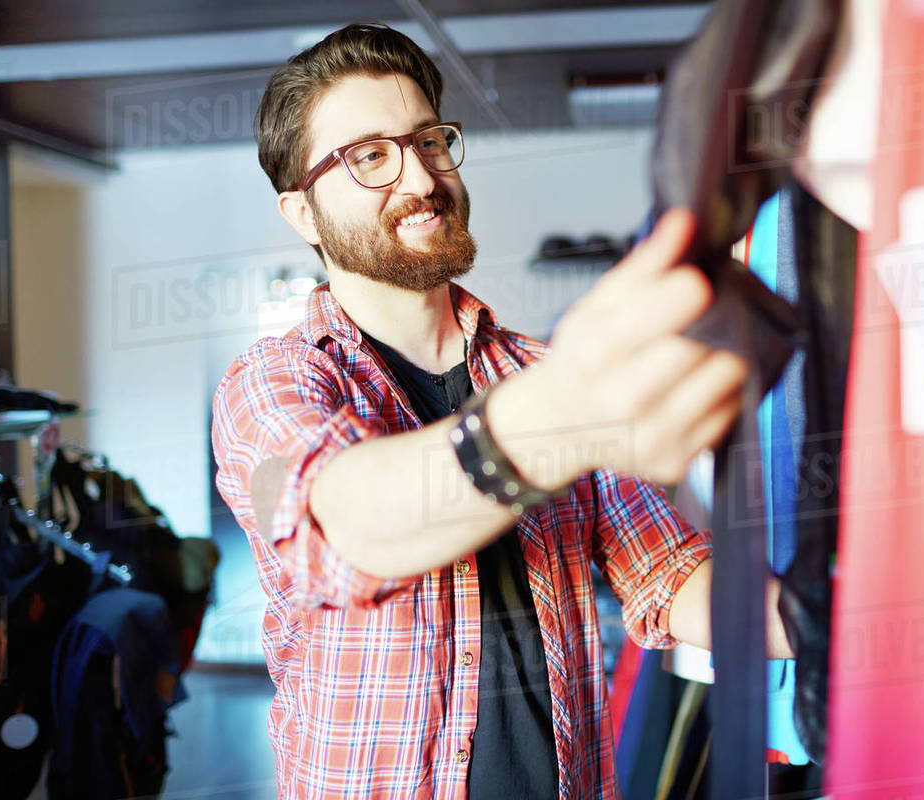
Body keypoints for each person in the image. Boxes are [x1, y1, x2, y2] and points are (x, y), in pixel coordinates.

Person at [211, 22, 792, 799]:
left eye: (429, 141)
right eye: (369, 157)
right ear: (303, 215)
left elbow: (669, 577)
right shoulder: (272, 384)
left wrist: (838, 621)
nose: (418, 177)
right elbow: (345, 525)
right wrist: (558, 417)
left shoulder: (537, 370)